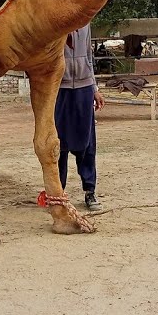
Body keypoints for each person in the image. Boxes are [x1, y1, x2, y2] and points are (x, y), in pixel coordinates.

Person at [55, 24, 105, 210]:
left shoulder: (86, 22)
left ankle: (90, 191)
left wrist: (94, 88)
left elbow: (89, 58)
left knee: (87, 142)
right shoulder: (56, 20)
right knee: (58, 142)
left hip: (84, 87)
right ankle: (58, 192)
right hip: (60, 87)